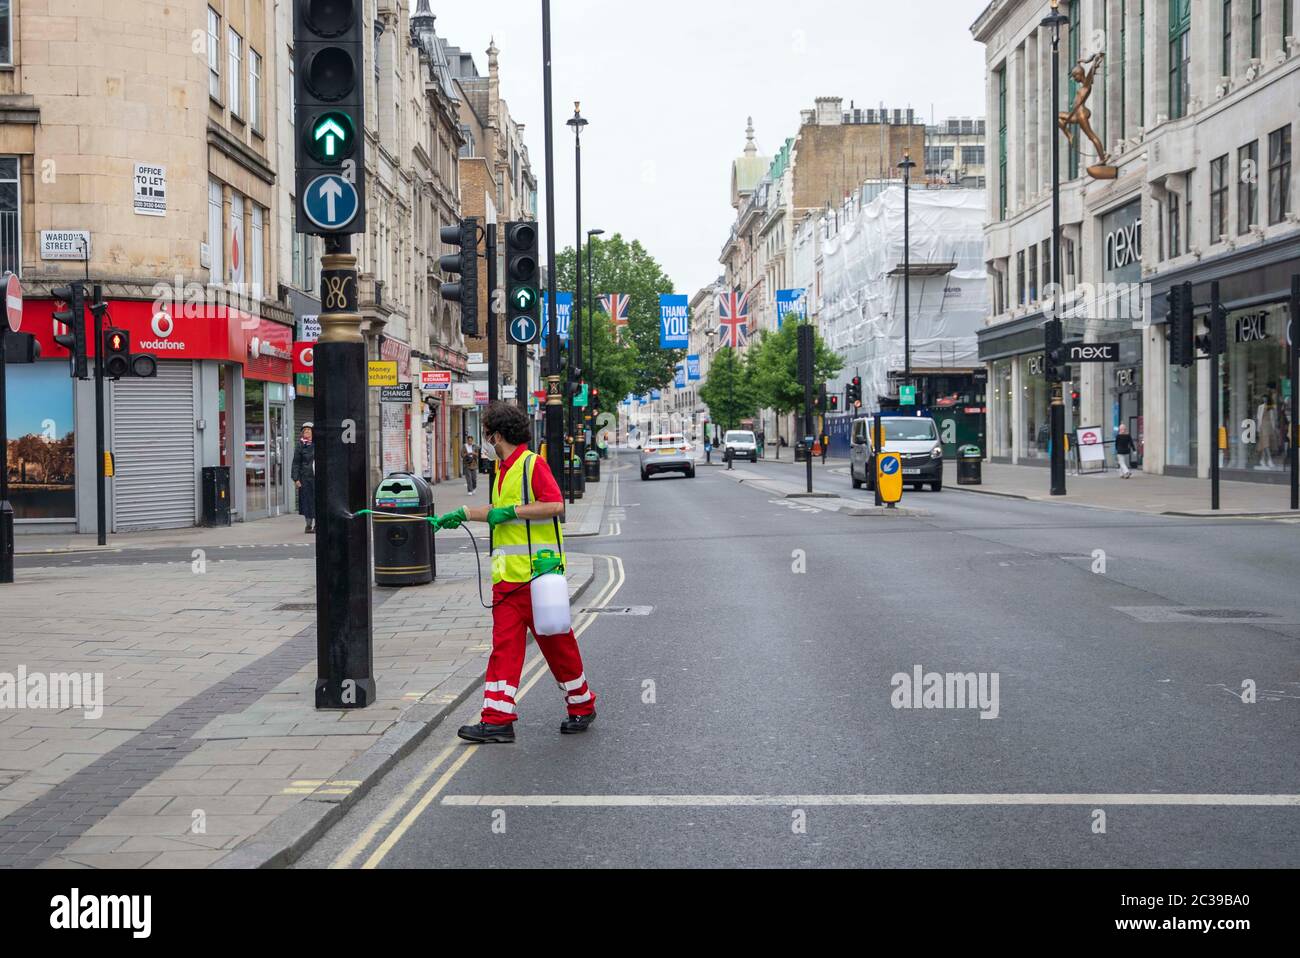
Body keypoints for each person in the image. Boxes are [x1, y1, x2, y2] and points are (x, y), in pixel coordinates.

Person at [432, 402, 596, 743]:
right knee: (504, 648)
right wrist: (462, 513)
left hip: (538, 576)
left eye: (488, 434)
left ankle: (581, 704)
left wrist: (510, 511)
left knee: (557, 645)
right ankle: (497, 719)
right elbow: (497, 510)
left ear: (497, 434)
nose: (486, 440)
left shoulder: (531, 464)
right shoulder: (503, 469)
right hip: (507, 580)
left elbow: (554, 504)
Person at [291, 423, 316, 533]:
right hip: (305, 478)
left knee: (317, 501)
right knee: (307, 501)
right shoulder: (300, 445)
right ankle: (308, 525)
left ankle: (317, 524)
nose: (306, 431)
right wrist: (296, 479)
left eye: (309, 430)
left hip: (316, 478)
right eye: (305, 430)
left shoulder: (317, 444)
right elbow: (296, 463)